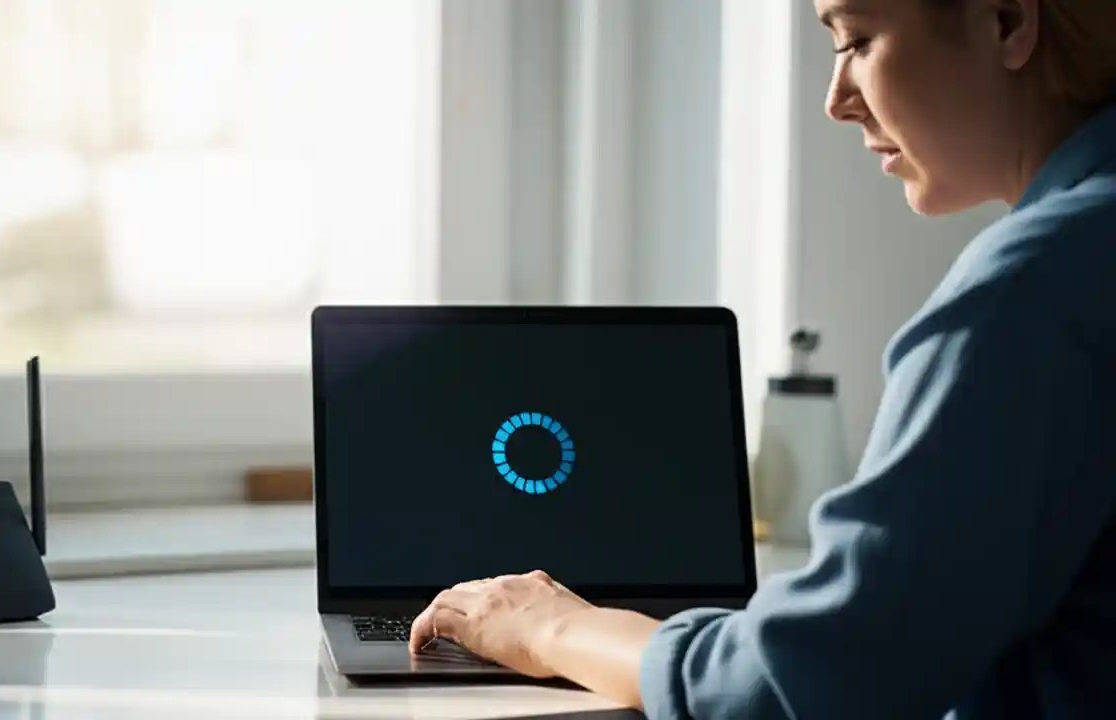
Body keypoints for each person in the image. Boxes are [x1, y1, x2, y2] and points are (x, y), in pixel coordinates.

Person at [406, 0, 1116, 717]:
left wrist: (553, 627)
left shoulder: (1031, 292)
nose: (837, 100)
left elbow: (815, 679)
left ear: (1007, 20)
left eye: (858, 40)